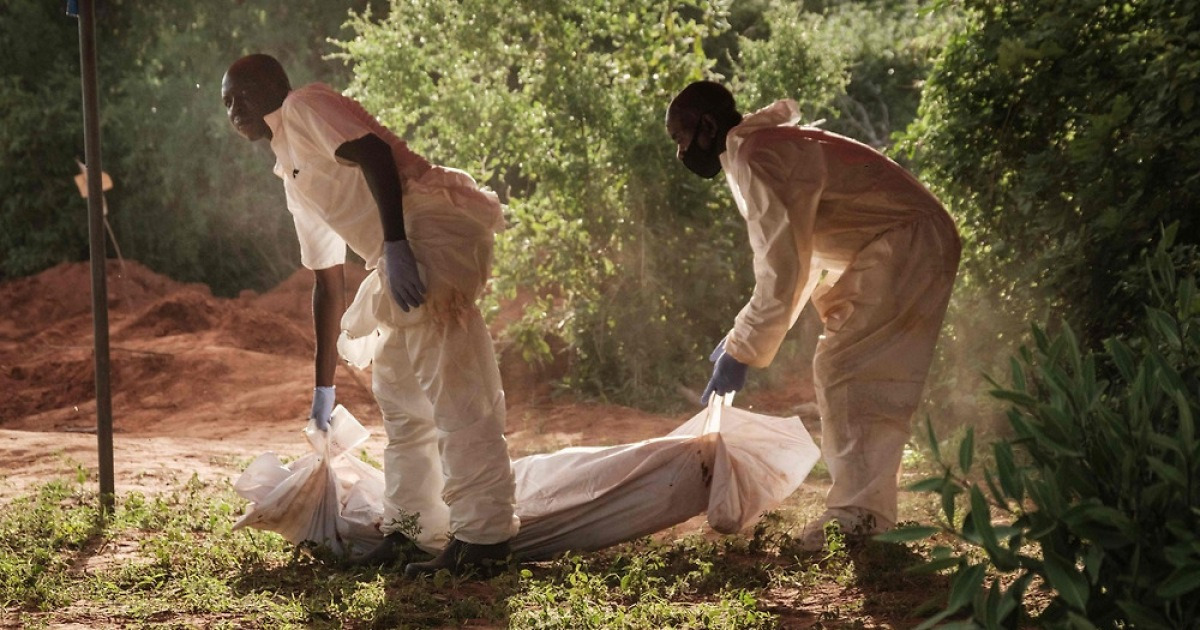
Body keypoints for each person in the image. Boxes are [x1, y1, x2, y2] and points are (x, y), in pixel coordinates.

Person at [220, 53, 518, 577]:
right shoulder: (289, 167)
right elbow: (326, 280)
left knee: (453, 388)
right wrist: (323, 391)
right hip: (393, 252)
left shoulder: (304, 105)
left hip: (426, 224)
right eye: (225, 103)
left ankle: (484, 541)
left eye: (239, 96)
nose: (232, 109)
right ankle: (410, 531)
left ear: (270, 87)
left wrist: (397, 244)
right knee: (400, 396)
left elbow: (376, 154)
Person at [665, 81, 961, 549]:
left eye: (681, 138)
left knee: (849, 370)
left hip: (907, 239)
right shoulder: (760, 150)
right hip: (904, 240)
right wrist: (741, 338)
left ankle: (859, 519)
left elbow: (783, 270)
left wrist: (743, 348)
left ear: (706, 125)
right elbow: (799, 263)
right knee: (853, 370)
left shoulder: (756, 157)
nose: (681, 153)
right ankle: (866, 514)